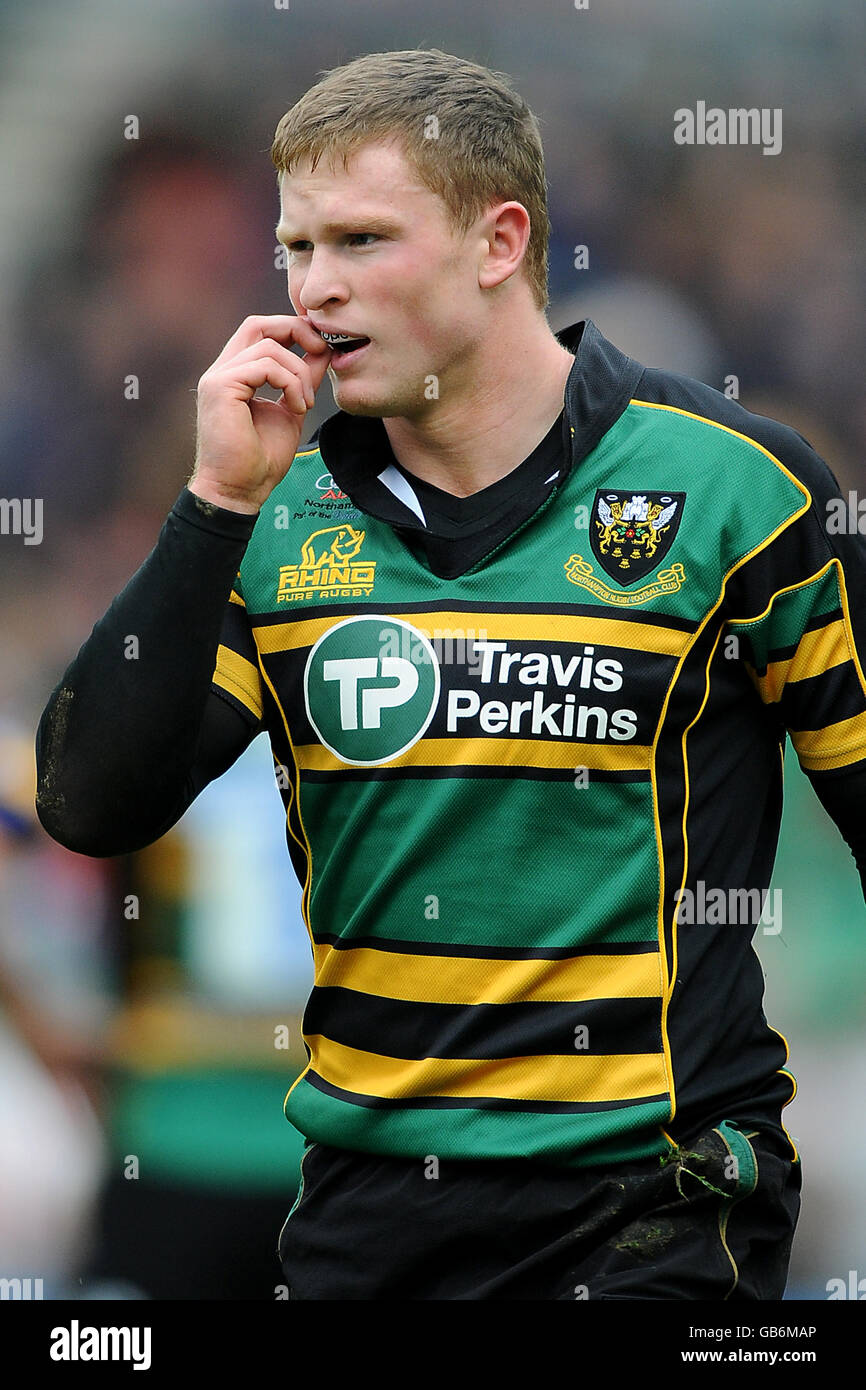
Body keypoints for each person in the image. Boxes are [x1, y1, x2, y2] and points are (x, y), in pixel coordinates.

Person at [35, 47, 866, 1301]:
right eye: (296, 248)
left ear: (498, 242)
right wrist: (211, 505)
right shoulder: (276, 518)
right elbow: (88, 805)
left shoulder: (737, 488)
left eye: (361, 240)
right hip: (365, 1208)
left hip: (655, 1203)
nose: (314, 289)